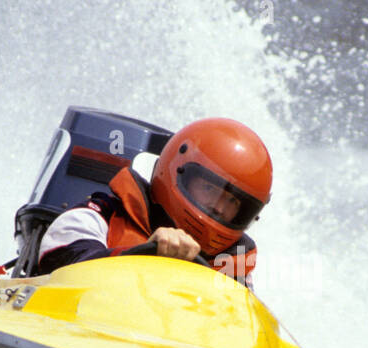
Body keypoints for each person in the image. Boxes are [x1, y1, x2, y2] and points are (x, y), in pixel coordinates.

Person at [36, 117, 272, 286]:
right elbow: (61, 267)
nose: (219, 207)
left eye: (232, 202)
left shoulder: (232, 267)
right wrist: (146, 255)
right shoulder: (98, 215)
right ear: (175, 172)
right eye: (209, 188)